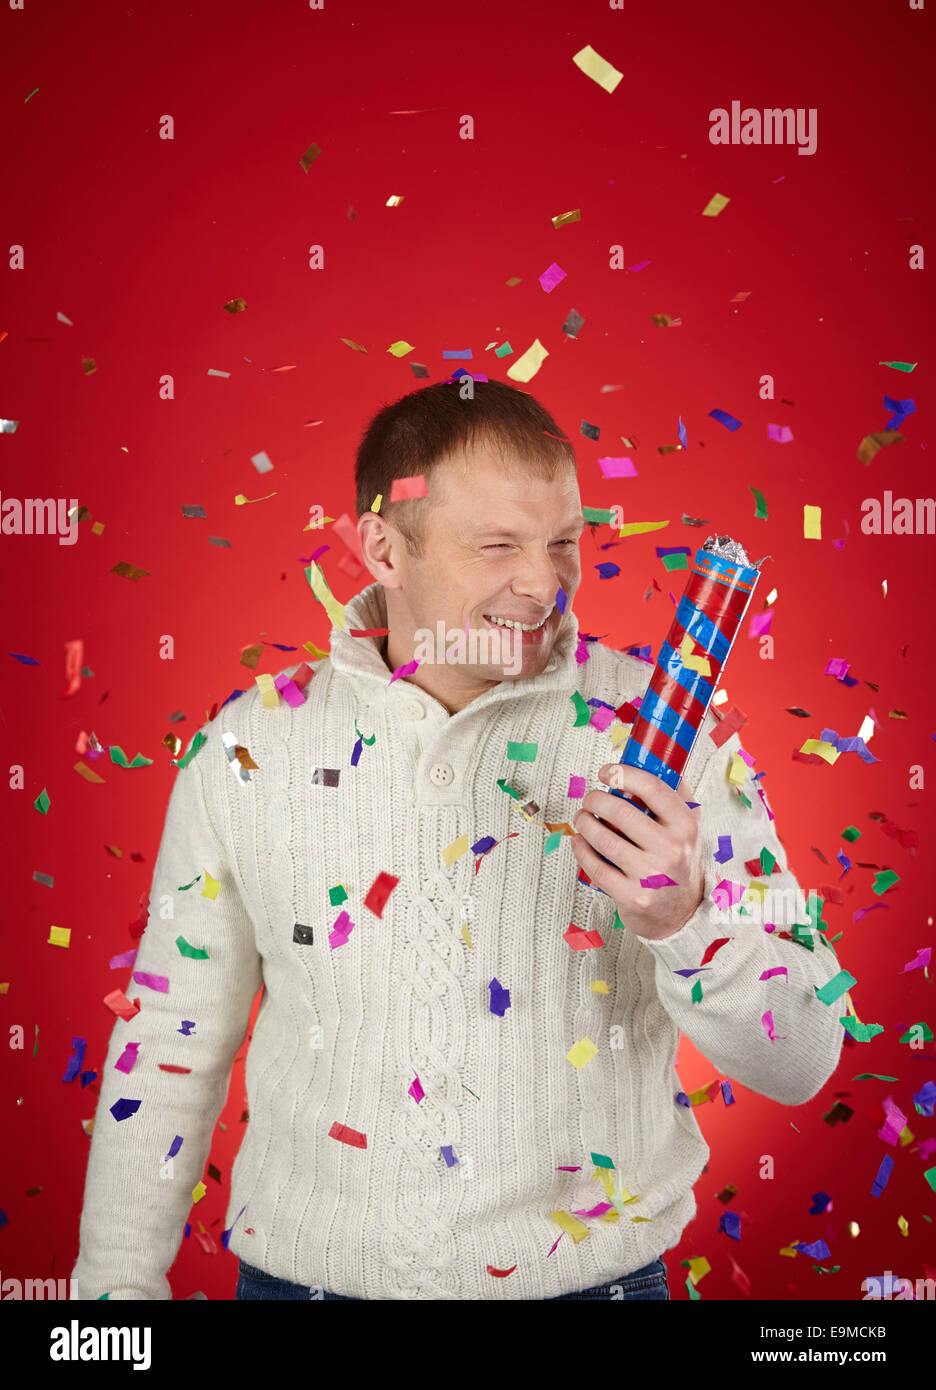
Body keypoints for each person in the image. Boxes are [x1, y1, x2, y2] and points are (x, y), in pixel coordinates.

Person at [72, 378, 844, 1301]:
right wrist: (114, 1301)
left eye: (564, 543)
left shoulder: (670, 738)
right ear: (384, 548)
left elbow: (805, 1058)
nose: (543, 582)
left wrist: (684, 923)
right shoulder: (249, 747)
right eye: (498, 547)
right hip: (300, 1289)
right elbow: (168, 1038)